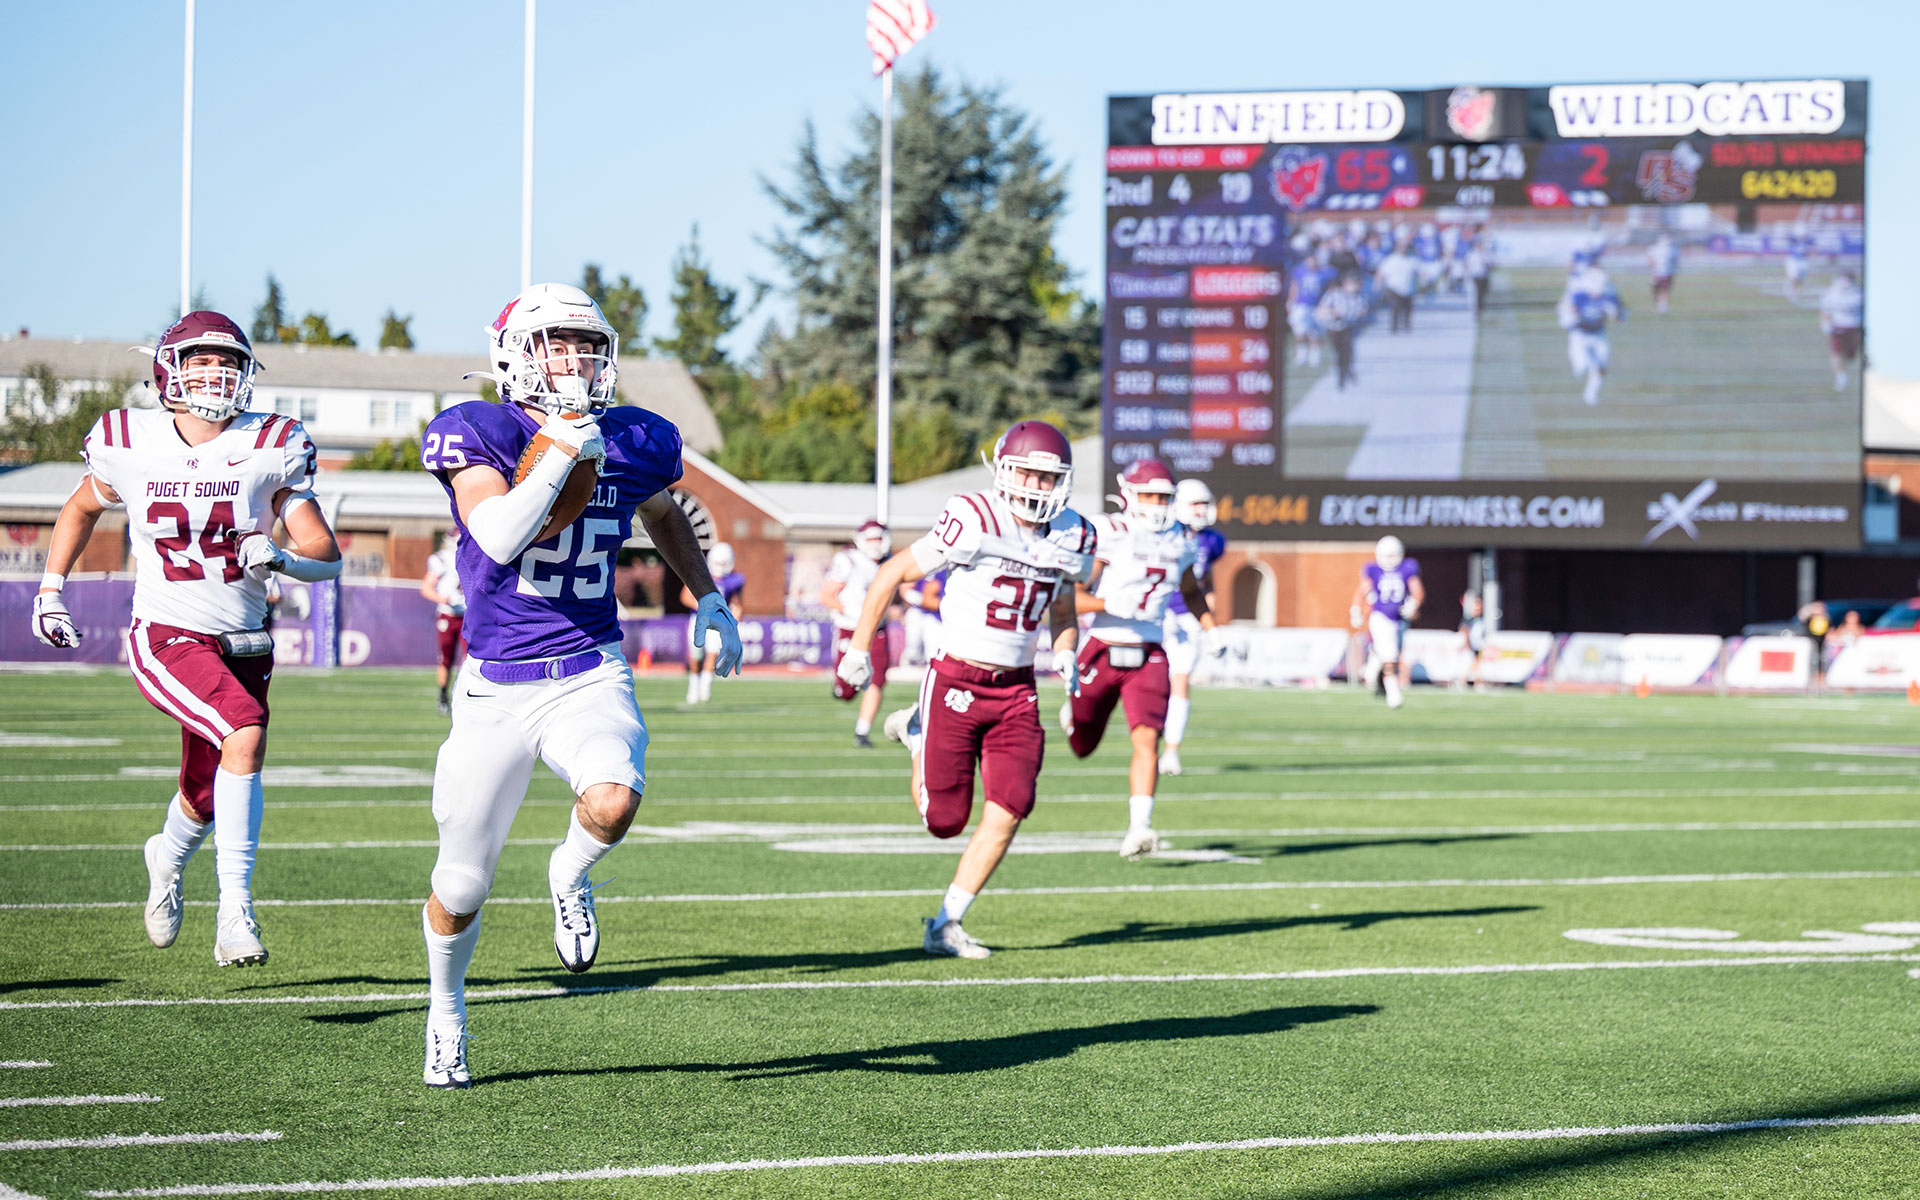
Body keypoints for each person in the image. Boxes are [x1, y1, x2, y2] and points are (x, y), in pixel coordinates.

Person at [415, 283, 742, 1088]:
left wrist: (707, 595)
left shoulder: (634, 437)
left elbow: (661, 512)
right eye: (557, 343)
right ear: (513, 356)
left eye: (588, 345)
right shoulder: (481, 430)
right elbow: (498, 535)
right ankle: (446, 1012)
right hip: (495, 685)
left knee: (615, 798)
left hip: (589, 667)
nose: (577, 358)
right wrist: (561, 447)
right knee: (460, 884)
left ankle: (569, 870)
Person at [32, 310, 342, 968]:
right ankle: (234, 912)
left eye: (228, 362)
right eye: (201, 360)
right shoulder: (129, 438)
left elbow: (325, 553)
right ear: (167, 370)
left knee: (205, 794)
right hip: (166, 632)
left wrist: (283, 558)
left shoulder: (271, 442)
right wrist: (50, 589)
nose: (216, 373)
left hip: (244, 640)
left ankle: (166, 857)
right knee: (244, 733)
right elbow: (82, 505)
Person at [840, 421, 1093, 958]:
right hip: (956, 679)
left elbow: (1063, 608)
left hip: (1017, 690)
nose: (1039, 486)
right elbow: (892, 573)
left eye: (1050, 477)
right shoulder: (974, 517)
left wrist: (1066, 650)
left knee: (1012, 805)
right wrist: (859, 649)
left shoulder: (1075, 535)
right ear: (1003, 471)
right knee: (944, 821)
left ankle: (947, 922)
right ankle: (916, 734)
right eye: (1029, 473)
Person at [1064, 459, 1220, 859]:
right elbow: (1069, 597)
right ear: (1129, 495)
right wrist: (1107, 603)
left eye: (1163, 497)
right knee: (1082, 744)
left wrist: (1210, 627)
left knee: (1148, 738)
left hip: (1150, 649)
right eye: (1148, 495)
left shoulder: (1181, 540)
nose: (1156, 504)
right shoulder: (1110, 532)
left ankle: (1140, 826)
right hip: (1102, 645)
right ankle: (1072, 715)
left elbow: (1191, 590)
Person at [1160, 478, 1226, 777]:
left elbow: (1204, 577)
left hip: (1189, 615)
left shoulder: (1211, 540)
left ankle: (1171, 751)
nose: (1202, 509)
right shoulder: (1165, 532)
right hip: (1155, 612)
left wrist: (1210, 617)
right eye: (1196, 503)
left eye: (1204, 503)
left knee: (1181, 680)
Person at [824, 520, 893, 747]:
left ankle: (862, 732)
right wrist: (849, 610)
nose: (875, 544)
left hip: (877, 629)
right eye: (870, 538)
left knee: (877, 680)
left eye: (878, 538)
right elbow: (826, 596)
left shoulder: (890, 562)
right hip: (850, 628)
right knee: (846, 689)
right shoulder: (848, 560)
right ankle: (840, 689)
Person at [1350, 535, 1423, 709]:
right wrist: (1355, 609)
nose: (1390, 559)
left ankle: (1372, 668)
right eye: (1387, 555)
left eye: (1393, 555)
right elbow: (1362, 589)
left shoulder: (1408, 567)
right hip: (1380, 617)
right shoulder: (1372, 569)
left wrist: (1413, 603)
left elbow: (1417, 589)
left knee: (1391, 653)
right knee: (1390, 656)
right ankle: (1393, 693)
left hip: (1400, 619)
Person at [681, 542, 745, 704]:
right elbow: (685, 597)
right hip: (699, 620)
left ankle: (705, 686)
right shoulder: (700, 575)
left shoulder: (734, 580)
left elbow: (737, 605)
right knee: (696, 656)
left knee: (712, 653)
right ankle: (693, 686)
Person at [1556, 263, 1625, 406]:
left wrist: (1616, 314)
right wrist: (1570, 317)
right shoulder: (1578, 296)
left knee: (1601, 367)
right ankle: (1579, 370)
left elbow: (1621, 317)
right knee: (1584, 366)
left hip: (1599, 334)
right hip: (1580, 335)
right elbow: (1564, 314)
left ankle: (1590, 394)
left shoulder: (1608, 296)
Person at [421, 527, 466, 715]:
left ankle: (463, 695)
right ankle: (443, 696)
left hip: (469, 616)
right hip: (447, 614)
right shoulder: (441, 559)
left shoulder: (473, 556)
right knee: (446, 660)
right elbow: (426, 588)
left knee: (469, 659)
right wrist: (443, 599)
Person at [1315, 272, 1369, 390]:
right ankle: (1343, 373)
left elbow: (1363, 310)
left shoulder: (1359, 297)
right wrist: (1333, 313)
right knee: (1338, 352)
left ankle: (1345, 372)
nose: (1356, 286)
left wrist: (1359, 314)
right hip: (1333, 328)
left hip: (1348, 326)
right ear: (1345, 284)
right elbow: (1322, 309)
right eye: (1353, 283)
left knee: (1347, 349)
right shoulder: (1334, 294)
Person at [1819, 271, 1863, 393]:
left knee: (1850, 356)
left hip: (1854, 328)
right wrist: (1825, 324)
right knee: (1836, 353)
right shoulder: (1831, 293)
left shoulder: (1859, 294)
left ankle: (1843, 369)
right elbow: (1825, 310)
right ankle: (1841, 377)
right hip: (1838, 327)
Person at [900, 566, 946, 668]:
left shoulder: (944, 570)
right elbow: (905, 588)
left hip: (937, 615)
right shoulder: (920, 565)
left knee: (933, 651)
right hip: (919, 611)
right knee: (913, 646)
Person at [1374, 241, 1418, 333]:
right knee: (1395, 308)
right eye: (1401, 247)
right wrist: (1377, 285)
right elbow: (1381, 272)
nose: (1403, 249)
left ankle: (1407, 325)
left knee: (1407, 309)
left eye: (1405, 247)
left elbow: (1417, 272)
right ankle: (1394, 327)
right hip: (1394, 287)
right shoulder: (1390, 260)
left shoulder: (1412, 259)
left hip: (1408, 288)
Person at [1455, 590, 1488, 692]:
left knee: (1476, 665)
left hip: (1477, 646)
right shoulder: (1469, 619)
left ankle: (1476, 682)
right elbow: (1464, 631)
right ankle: (1466, 682)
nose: (1478, 607)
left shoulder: (1481, 619)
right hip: (1471, 646)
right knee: (1472, 664)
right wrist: (1467, 643)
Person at [1648, 234, 1679, 316]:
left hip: (1662, 273)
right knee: (1661, 290)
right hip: (1661, 273)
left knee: (1661, 290)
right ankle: (1661, 306)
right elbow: (1651, 261)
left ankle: (1661, 307)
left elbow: (1650, 261)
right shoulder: (1672, 249)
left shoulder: (1672, 249)